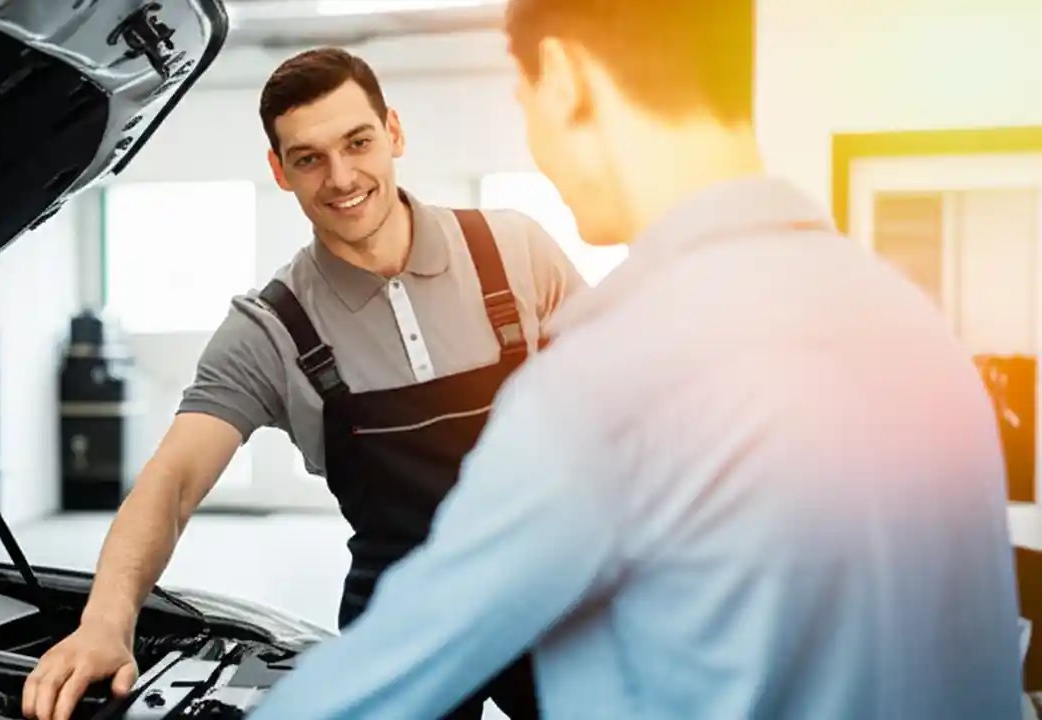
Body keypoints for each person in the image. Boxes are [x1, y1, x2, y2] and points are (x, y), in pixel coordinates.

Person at [247, 0, 1025, 718]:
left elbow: (383, 685)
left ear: (565, 83)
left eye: (523, 105)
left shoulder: (607, 379)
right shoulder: (910, 324)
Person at [20, 47, 587, 720]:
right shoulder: (270, 329)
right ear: (279, 171)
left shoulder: (516, 251)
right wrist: (106, 623)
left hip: (555, 590)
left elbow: (627, 407)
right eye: (309, 157)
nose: (341, 177)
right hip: (400, 620)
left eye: (358, 142)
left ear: (394, 133)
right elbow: (169, 485)